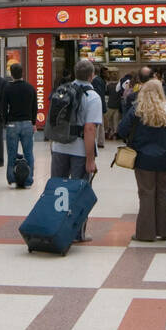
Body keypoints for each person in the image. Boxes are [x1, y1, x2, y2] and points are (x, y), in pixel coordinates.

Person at [119, 80, 166, 242]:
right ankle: (165, 231)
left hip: (143, 160)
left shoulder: (137, 110)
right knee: (165, 195)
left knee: (146, 195)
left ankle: (145, 233)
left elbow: (121, 129)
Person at [50, 58, 102, 240]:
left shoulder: (62, 90)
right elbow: (89, 129)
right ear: (91, 75)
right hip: (79, 150)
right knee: (79, 192)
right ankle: (77, 233)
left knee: (57, 190)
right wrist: (90, 159)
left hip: (59, 147)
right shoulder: (92, 97)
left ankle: (54, 227)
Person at [3, 62, 37, 186]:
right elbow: (35, 107)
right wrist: (33, 122)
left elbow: (3, 107)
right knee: (29, 153)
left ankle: (11, 178)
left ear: (11, 74)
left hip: (12, 124)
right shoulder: (30, 88)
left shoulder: (8, 88)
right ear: (22, 73)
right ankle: (29, 178)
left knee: (12, 153)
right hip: (27, 123)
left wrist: (6, 121)